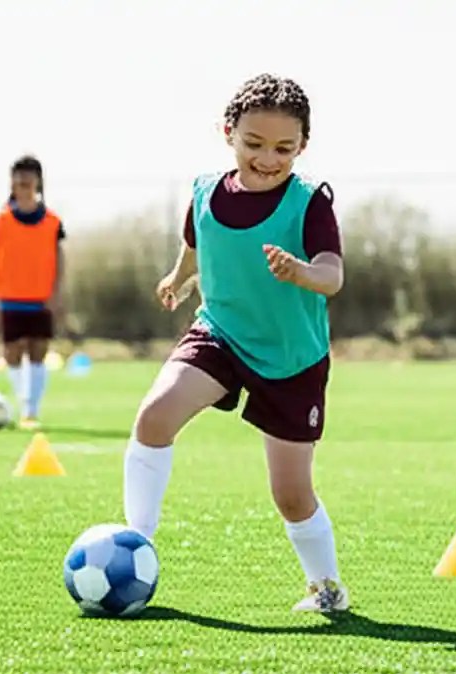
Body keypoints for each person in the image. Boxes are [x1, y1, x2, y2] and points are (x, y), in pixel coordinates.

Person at [121, 73, 349, 612]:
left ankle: (327, 588)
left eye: (283, 148)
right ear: (229, 133)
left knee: (291, 496)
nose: (268, 158)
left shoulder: (309, 203)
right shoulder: (203, 191)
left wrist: (302, 273)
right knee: (155, 416)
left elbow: (333, 274)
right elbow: (197, 243)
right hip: (219, 334)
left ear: (303, 147)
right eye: (254, 144)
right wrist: (178, 278)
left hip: (291, 359)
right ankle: (137, 546)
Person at [0, 155, 66, 431]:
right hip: (10, 297)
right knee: (12, 352)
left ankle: (30, 410)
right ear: (12, 183)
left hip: (41, 297)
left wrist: (58, 293)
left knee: (38, 351)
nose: (23, 184)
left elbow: (59, 259)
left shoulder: (53, 221)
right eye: (19, 179)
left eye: (29, 178)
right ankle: (21, 400)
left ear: (38, 182)